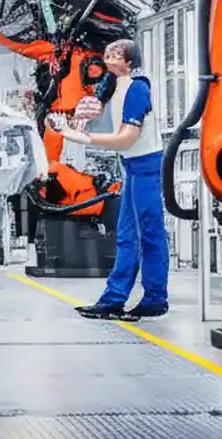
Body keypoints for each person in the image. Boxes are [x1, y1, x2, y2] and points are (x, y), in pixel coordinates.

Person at [57, 38, 168, 319]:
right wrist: (79, 117)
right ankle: (113, 299)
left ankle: (155, 298)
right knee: (127, 235)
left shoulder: (137, 88)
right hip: (130, 166)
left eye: (117, 52)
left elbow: (126, 139)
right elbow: (97, 108)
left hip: (146, 166)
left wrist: (83, 137)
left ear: (130, 61)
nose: (109, 54)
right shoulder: (112, 85)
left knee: (149, 234)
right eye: (108, 50)